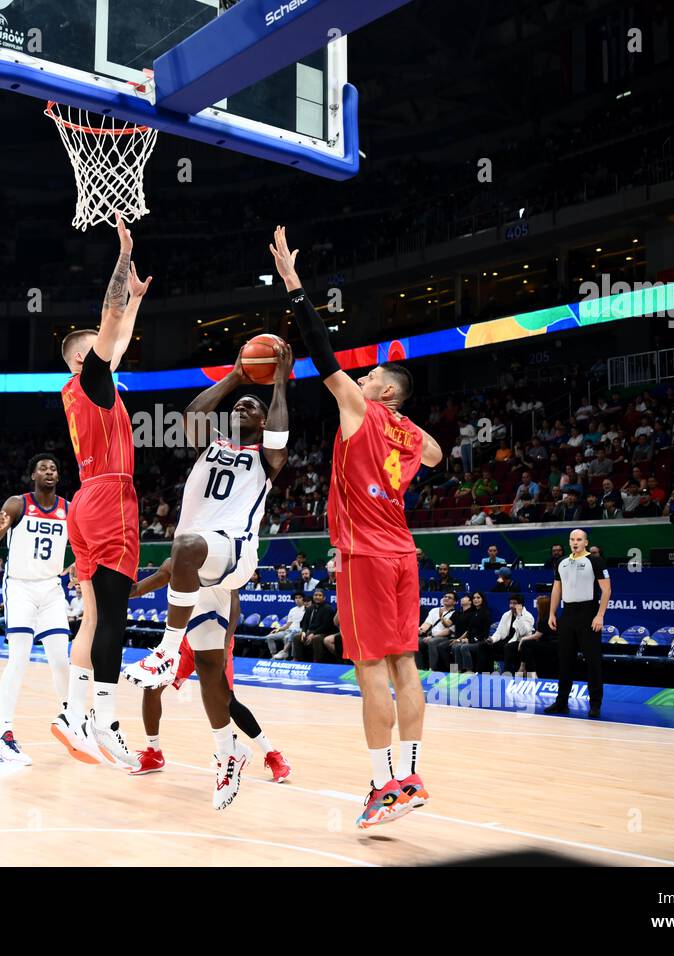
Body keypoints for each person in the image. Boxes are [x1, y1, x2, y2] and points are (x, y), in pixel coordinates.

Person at [274, 224, 445, 828]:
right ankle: (414, 774)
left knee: (370, 667)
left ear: (384, 391)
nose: (364, 376)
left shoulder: (361, 409)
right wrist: (404, 421)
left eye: (373, 375)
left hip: (365, 556)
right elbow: (436, 455)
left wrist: (295, 288)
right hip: (403, 554)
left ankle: (382, 787)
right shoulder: (406, 431)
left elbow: (321, 352)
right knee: (405, 665)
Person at [122, 339, 292, 808]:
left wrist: (276, 380)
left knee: (186, 544)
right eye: (240, 404)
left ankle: (163, 651)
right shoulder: (210, 445)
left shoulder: (265, 458)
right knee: (213, 673)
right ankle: (227, 754)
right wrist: (237, 376)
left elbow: (278, 435)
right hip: (200, 568)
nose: (244, 407)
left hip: (235, 551)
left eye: (252, 407)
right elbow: (189, 417)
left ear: (261, 421)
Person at [50, 216, 152, 770]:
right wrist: (123, 253)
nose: (108, 346)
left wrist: (135, 301)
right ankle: (107, 723)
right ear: (81, 357)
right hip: (111, 500)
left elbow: (118, 327)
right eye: (98, 347)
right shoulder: (91, 373)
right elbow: (109, 322)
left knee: (91, 619)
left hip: (85, 501)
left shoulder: (81, 388)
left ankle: (71, 712)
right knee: (114, 617)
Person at [126, 557, 292, 787]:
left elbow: (234, 603)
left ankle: (272, 755)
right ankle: (154, 752)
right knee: (152, 686)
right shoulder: (173, 563)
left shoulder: (221, 561)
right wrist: (106, 583)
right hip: (187, 641)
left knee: (226, 701)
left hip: (216, 638)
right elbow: (136, 589)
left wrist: (225, 645)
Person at [0, 453, 73, 765]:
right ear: (33, 475)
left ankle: (71, 719)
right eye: (43, 468)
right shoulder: (17, 504)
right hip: (20, 587)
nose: (49, 471)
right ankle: (4, 735)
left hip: (50, 589)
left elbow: (85, 545)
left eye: (53, 468)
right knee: (18, 659)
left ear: (58, 477)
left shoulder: (68, 509)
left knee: (61, 660)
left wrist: (75, 566)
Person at [545, 529, 611, 719]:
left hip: (588, 613)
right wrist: (551, 613)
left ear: (586, 542)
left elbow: (606, 590)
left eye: (579, 539)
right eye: (572, 539)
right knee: (565, 660)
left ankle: (595, 704)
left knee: (593, 661)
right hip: (568, 614)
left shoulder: (596, 561)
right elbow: (556, 589)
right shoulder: (562, 562)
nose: (575, 542)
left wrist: (600, 615)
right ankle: (561, 702)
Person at [473, 593, 536, 673]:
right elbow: (499, 632)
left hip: (519, 642)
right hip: (507, 640)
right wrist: (492, 639)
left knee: (507, 647)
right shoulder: (506, 615)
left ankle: (507, 673)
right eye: (510, 603)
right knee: (483, 645)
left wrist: (519, 616)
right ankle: (482, 673)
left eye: (514, 603)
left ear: (521, 605)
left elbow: (523, 632)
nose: (511, 606)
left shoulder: (528, 616)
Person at [451, 592, 492, 672]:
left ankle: (469, 670)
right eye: (474, 598)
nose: (475, 600)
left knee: (464, 647)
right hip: (471, 640)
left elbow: (485, 632)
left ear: (482, 599)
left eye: (478, 597)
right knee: (455, 646)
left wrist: (471, 640)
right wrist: (460, 639)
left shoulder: (485, 613)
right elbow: (469, 630)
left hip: (481, 641)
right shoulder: (473, 613)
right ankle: (456, 670)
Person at [295, 588, 338, 662]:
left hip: (324, 632)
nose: (317, 597)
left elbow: (326, 626)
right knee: (297, 637)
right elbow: (305, 623)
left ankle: (317, 661)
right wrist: (303, 632)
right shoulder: (309, 608)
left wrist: (313, 634)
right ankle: (298, 660)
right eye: (315, 595)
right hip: (311, 631)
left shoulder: (328, 609)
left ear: (324, 598)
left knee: (316, 638)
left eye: (320, 595)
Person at [268, 592, 306, 659]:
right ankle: (273, 656)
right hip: (288, 630)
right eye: (296, 598)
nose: (297, 599)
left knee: (287, 637)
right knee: (270, 637)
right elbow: (288, 625)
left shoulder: (307, 609)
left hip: (298, 631)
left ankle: (288, 657)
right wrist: (278, 629)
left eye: (300, 597)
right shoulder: (292, 610)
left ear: (303, 599)